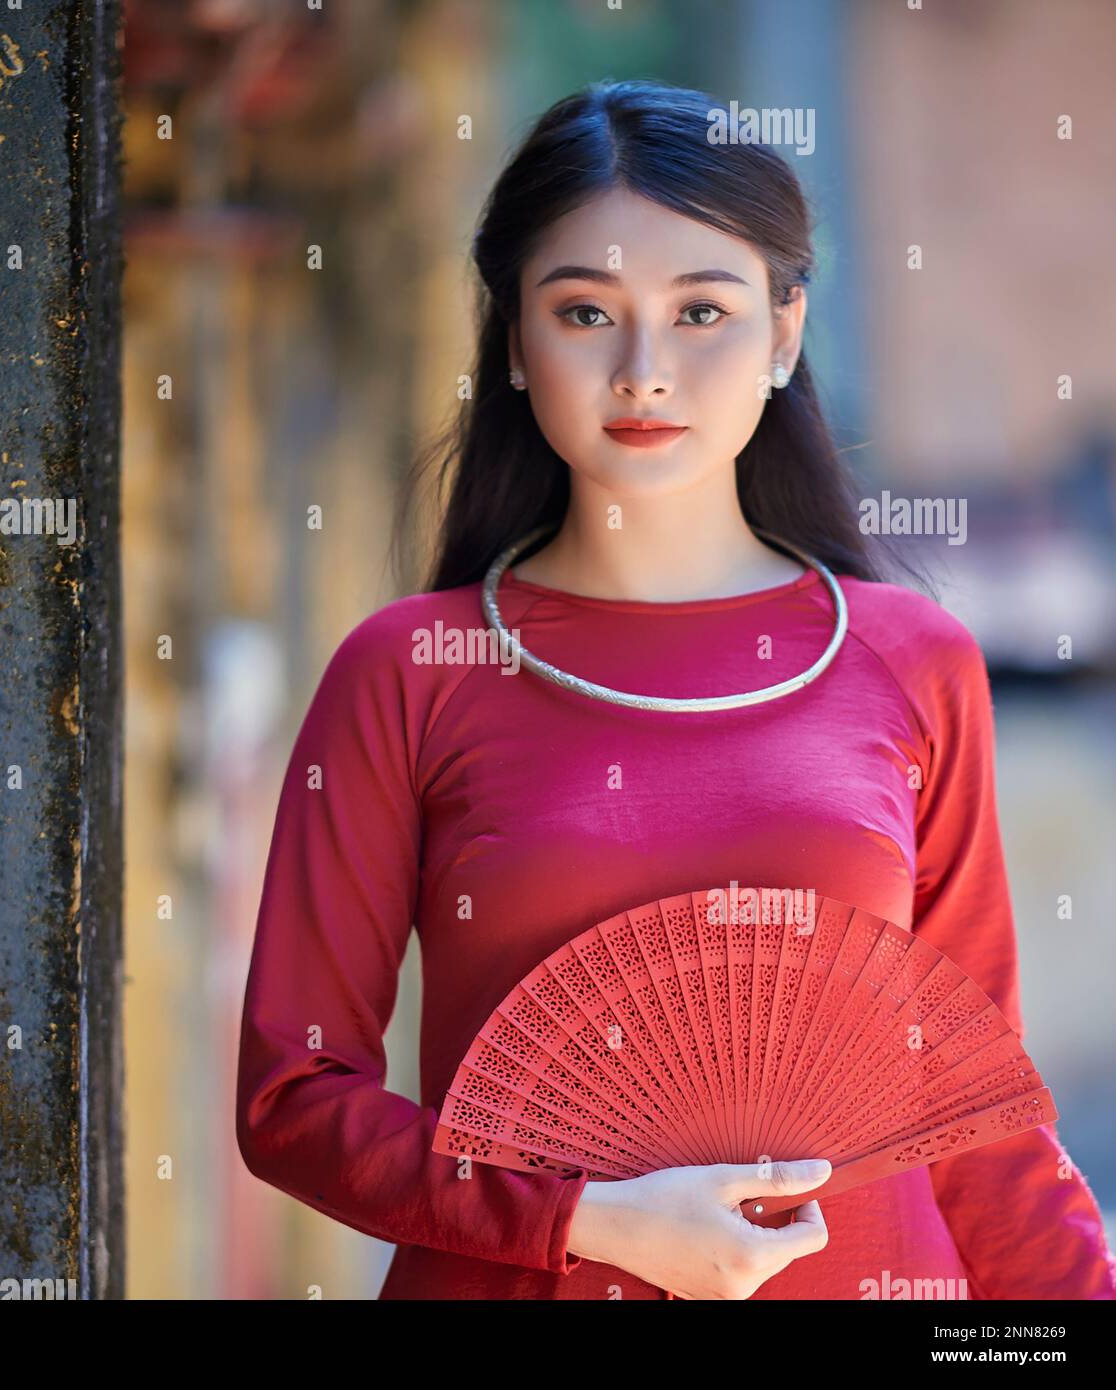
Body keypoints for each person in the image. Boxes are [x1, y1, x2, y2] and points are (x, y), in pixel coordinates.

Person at [234, 79, 1116, 1300]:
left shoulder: (910, 659)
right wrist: (585, 1219)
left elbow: (976, 1111)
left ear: (784, 331)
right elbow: (292, 1096)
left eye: (702, 310)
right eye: (586, 312)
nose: (645, 370)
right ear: (511, 342)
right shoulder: (409, 672)